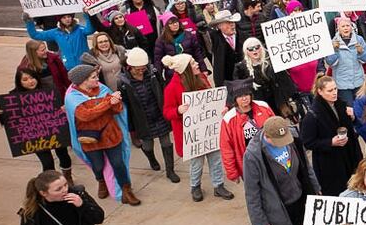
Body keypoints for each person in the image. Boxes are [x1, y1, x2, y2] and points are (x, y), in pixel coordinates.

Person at [242, 115, 319, 225]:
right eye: (278, 140)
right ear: (266, 136)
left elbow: (306, 167)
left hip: (299, 200)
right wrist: (259, 221)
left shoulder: (292, 138)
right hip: (276, 210)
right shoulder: (253, 155)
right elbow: (251, 191)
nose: (284, 143)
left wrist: (316, 189)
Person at [64, 64, 139, 204]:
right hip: (90, 140)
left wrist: (115, 103)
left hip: (111, 135)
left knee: (118, 164)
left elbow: (117, 109)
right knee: (97, 165)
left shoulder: (102, 89)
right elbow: (85, 115)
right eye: (93, 77)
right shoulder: (72, 97)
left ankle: (126, 190)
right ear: (83, 81)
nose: (97, 79)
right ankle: (101, 181)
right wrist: (108, 102)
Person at [161, 54, 232, 202]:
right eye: (193, 64)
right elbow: (167, 112)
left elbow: (212, 101)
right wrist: (178, 110)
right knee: (196, 163)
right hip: (191, 135)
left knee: (216, 159)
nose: (197, 65)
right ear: (186, 69)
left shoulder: (202, 79)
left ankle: (218, 185)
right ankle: (195, 186)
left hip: (209, 131)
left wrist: (222, 108)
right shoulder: (172, 88)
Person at [0, 67, 72, 177]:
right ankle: (49, 182)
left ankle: (67, 177)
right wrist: (1, 117)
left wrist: (64, 109)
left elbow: (60, 107)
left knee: (63, 155)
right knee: (47, 162)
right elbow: (13, 121)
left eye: (32, 78)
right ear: (19, 82)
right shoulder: (13, 96)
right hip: (34, 135)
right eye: (25, 80)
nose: (30, 82)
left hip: (55, 130)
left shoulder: (49, 90)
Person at [117, 48, 178, 182]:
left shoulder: (153, 73)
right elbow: (126, 106)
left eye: (143, 68)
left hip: (159, 113)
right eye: (137, 69)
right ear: (129, 67)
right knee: (147, 145)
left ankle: (170, 170)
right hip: (142, 119)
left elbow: (163, 89)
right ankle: (152, 159)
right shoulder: (122, 82)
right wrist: (131, 127)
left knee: (166, 142)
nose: (141, 71)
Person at [299, 75, 361, 196]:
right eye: (330, 90)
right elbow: (308, 142)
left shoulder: (341, 104)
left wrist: (353, 117)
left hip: (350, 157)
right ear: (320, 92)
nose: (334, 93)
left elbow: (350, 126)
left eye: (335, 89)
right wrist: (330, 142)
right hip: (331, 166)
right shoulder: (312, 116)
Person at [218, 79, 274, 183]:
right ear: (235, 99)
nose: (244, 98)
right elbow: (226, 148)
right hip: (249, 163)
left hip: (270, 157)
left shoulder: (263, 107)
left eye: (246, 94)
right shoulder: (229, 119)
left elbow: (275, 129)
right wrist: (232, 173)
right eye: (240, 96)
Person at [233, 37, 297, 118]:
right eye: (251, 49)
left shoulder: (272, 61)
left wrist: (288, 99)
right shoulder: (240, 68)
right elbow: (238, 89)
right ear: (246, 51)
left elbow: (285, 81)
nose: (254, 50)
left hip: (277, 101)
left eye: (257, 47)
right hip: (258, 104)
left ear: (261, 48)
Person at [24, 11, 94, 70]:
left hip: (85, 65)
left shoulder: (80, 29)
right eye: (64, 17)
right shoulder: (56, 32)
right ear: (60, 20)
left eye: (69, 17)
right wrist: (29, 22)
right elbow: (35, 35)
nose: (67, 19)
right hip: (68, 67)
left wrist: (87, 15)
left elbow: (90, 30)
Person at [327, 17, 366, 105]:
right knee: (348, 110)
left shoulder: (359, 40)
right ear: (338, 28)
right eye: (343, 26)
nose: (346, 28)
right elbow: (330, 62)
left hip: (358, 82)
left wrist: (361, 52)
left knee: (361, 109)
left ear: (351, 27)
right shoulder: (333, 42)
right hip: (342, 84)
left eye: (348, 25)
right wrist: (335, 50)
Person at [208, 9, 243, 87]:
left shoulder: (242, 34)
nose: (232, 25)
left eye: (233, 22)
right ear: (219, 26)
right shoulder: (215, 38)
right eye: (228, 22)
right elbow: (206, 46)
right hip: (226, 80)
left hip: (243, 79)